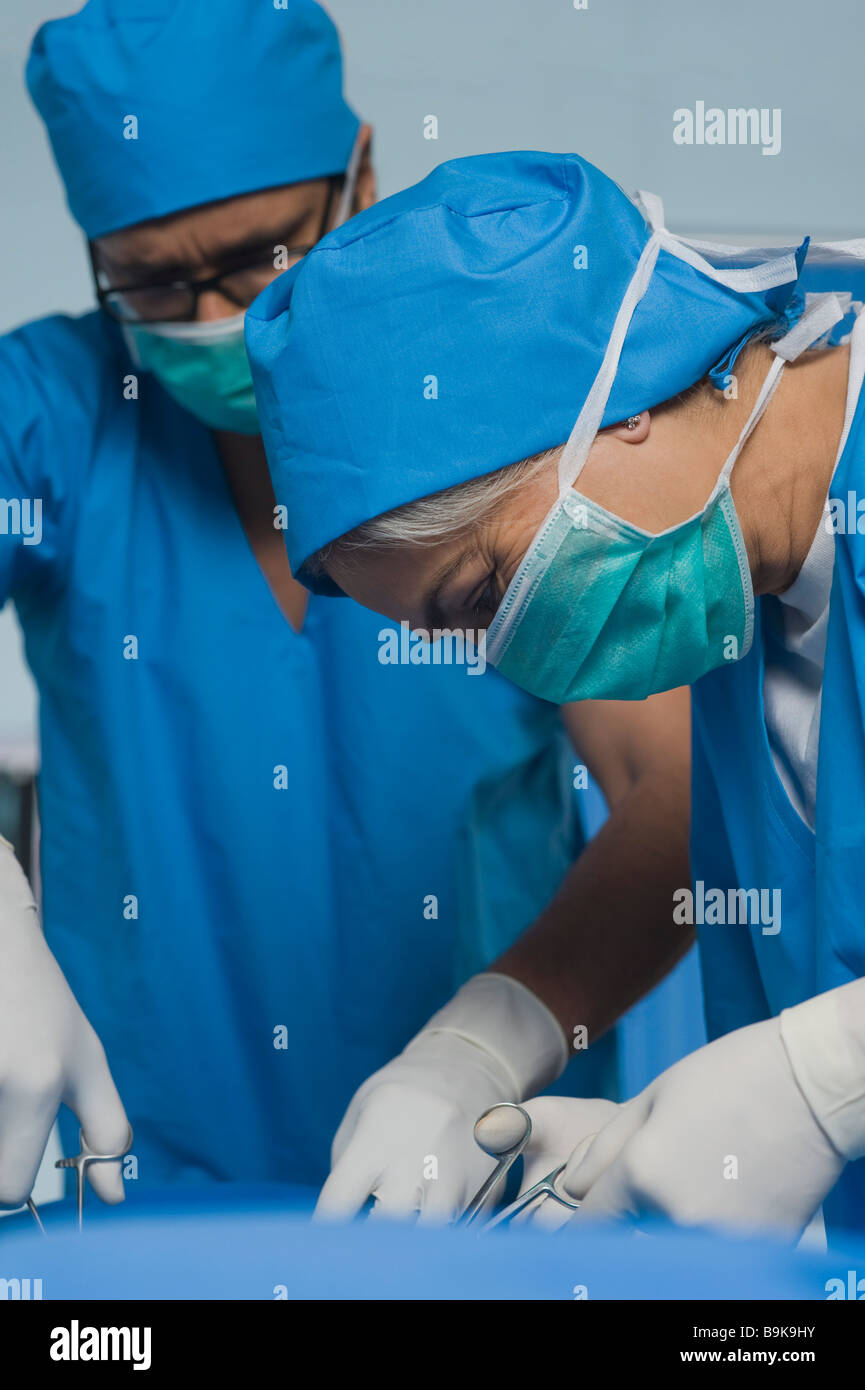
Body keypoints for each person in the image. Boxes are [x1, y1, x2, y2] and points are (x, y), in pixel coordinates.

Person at [0, 5, 699, 1223]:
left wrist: (490, 1041)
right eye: (156, 280)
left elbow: (682, 791)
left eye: (259, 255)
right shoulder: (55, 413)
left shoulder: (491, 392)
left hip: (484, 1176)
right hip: (136, 1181)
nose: (214, 315)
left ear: (359, 173)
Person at [245, 148, 865, 1239]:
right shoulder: (733, 587)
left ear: (622, 400)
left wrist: (824, 1079)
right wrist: (485, 1045)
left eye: (481, 591)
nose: (510, 659)